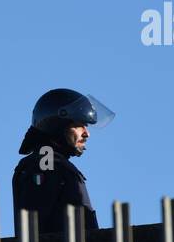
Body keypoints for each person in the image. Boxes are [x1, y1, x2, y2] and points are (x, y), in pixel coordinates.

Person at [12, 88, 114, 233]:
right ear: (58, 125)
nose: (87, 134)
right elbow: (36, 230)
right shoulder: (45, 162)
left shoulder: (54, 162)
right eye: (79, 125)